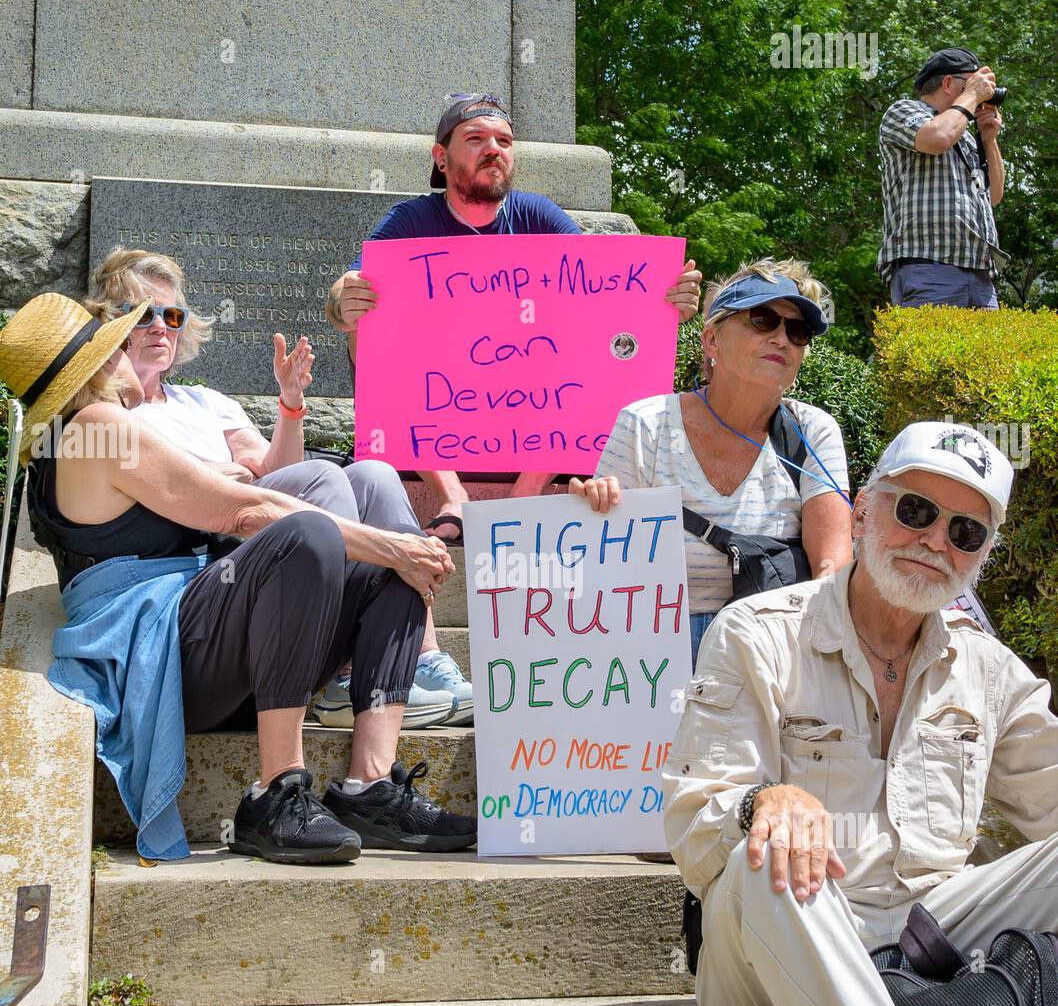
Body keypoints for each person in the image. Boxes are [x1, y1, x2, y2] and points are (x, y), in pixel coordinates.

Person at [662, 420, 1058, 1006]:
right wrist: (763, 801)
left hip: (920, 938)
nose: (933, 541)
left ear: (983, 555)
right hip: (769, 958)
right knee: (770, 854)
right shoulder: (759, 632)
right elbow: (698, 817)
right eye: (916, 509)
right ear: (865, 506)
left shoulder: (990, 672)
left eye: (965, 530)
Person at [1, 292, 477, 865]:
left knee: (386, 570)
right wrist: (390, 543)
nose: (127, 350)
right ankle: (276, 793)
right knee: (307, 536)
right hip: (164, 667)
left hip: (215, 660)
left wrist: (394, 555)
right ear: (102, 364)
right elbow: (244, 513)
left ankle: (368, 788)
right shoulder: (95, 426)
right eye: (115, 344)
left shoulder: (72, 437)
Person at [87, 247, 471, 728]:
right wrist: (223, 477)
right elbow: (223, 494)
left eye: (172, 314)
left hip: (264, 523)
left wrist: (290, 406)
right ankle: (342, 672)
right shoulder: (109, 415)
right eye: (143, 315)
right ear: (109, 322)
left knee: (374, 474)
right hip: (222, 555)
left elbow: (272, 472)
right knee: (326, 478)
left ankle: (424, 654)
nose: (160, 327)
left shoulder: (205, 401)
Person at [324, 91, 703, 542]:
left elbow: (608, 296)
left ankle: (528, 491)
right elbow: (345, 291)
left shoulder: (537, 214)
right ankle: (452, 496)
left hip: (532, 424)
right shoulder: (411, 220)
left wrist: (664, 305)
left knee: (589, 346)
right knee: (367, 328)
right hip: (439, 423)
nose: (493, 149)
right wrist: (343, 302)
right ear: (441, 158)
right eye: (476, 138)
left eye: (504, 140)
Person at [573, 259, 853, 668]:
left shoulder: (814, 430)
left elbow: (833, 559)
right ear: (711, 341)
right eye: (763, 319)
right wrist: (595, 504)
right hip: (651, 656)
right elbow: (604, 557)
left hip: (771, 650)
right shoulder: (644, 424)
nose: (782, 339)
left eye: (797, 332)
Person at [878, 47, 1006, 309]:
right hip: (928, 268)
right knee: (933, 352)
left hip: (980, 275)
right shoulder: (904, 112)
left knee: (986, 352)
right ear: (948, 83)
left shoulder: (966, 137)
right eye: (971, 83)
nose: (981, 93)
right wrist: (971, 96)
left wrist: (988, 139)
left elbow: (994, 196)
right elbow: (937, 138)